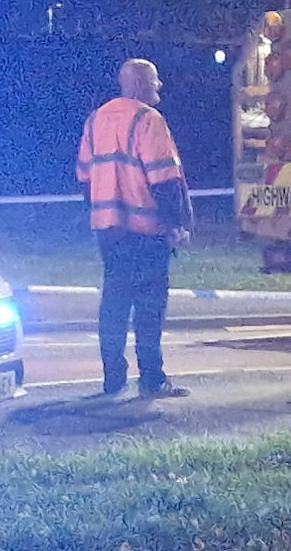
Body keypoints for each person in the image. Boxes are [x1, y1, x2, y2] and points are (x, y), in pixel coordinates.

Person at [40, 57, 193, 411]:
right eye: (155, 80)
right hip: (147, 230)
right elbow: (164, 178)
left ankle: (113, 379)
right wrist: (176, 224)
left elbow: (85, 178)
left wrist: (102, 211)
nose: (160, 86)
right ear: (139, 84)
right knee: (149, 307)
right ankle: (152, 378)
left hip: (109, 230)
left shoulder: (96, 120)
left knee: (114, 303)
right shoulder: (148, 120)